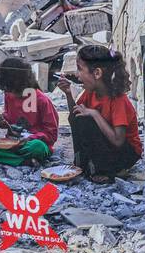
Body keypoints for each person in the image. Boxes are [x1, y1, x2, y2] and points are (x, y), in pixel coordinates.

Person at [55, 43, 140, 183]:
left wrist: (95, 114)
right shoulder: (90, 93)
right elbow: (76, 117)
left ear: (97, 73)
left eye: (80, 69)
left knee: (88, 118)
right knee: (80, 117)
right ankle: (82, 164)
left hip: (126, 152)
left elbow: (118, 141)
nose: (77, 75)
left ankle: (112, 171)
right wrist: (69, 94)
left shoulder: (118, 100)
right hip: (108, 146)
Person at [0, 58, 59, 167]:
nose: (12, 94)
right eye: (9, 90)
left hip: (30, 144)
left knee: (37, 147)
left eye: (15, 90)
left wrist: (30, 138)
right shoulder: (9, 94)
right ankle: (23, 161)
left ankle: (8, 158)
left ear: (22, 84)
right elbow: (9, 119)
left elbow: (52, 134)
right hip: (11, 143)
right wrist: (1, 121)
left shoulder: (41, 100)